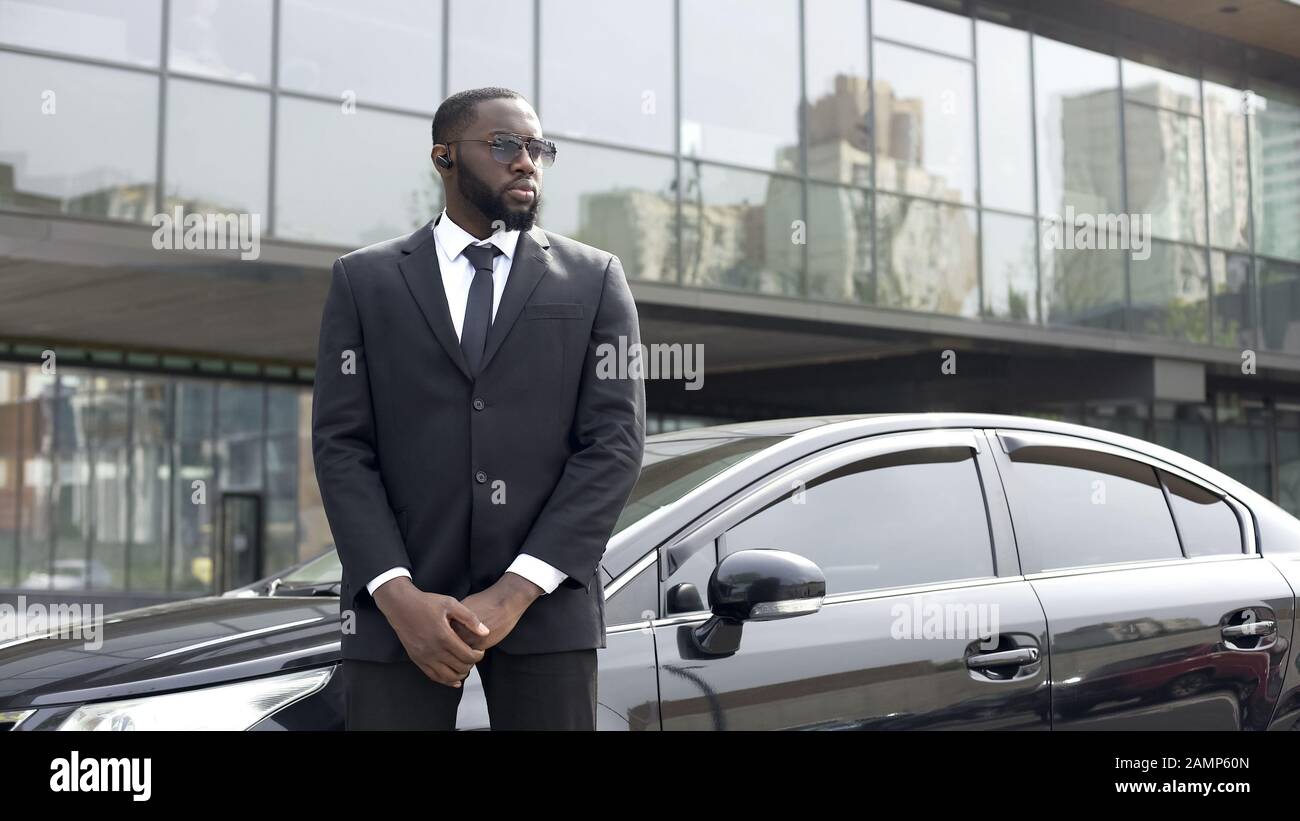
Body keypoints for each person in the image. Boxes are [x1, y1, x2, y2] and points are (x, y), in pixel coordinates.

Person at [311, 86, 646, 730]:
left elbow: (614, 446)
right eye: (504, 145)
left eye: (537, 148)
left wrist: (515, 592)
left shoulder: (595, 278)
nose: (527, 161)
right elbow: (341, 447)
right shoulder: (364, 280)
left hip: (547, 610)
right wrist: (396, 594)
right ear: (444, 158)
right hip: (396, 617)